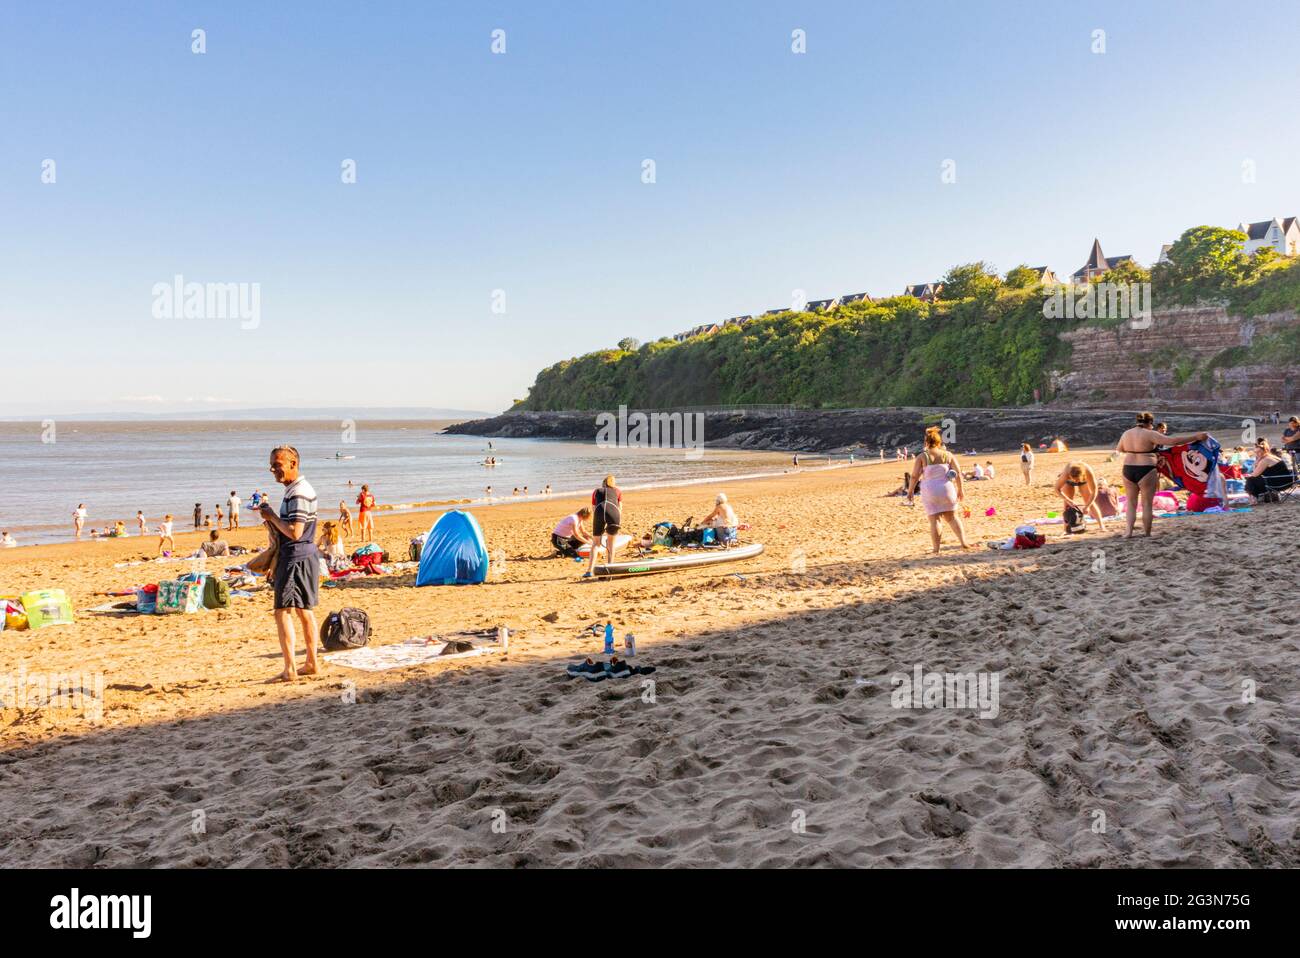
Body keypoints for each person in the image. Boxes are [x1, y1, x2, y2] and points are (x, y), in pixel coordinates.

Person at [260, 445, 322, 682]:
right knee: (304, 610)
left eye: (277, 464)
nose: (273, 469)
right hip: (304, 555)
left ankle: (290, 669)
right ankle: (311, 663)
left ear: (293, 464)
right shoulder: (296, 490)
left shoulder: (298, 493)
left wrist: (271, 517)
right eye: (272, 465)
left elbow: (295, 532)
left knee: (282, 612)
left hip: (296, 556)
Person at [1116, 412, 1209, 538]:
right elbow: (1174, 441)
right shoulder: (1151, 434)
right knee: (1147, 504)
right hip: (1146, 468)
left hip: (1128, 468)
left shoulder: (1126, 433)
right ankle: (1147, 533)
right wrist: (1196, 437)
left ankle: (1128, 533)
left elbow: (1120, 449)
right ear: (1150, 423)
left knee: (1131, 503)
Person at [906, 426, 971, 554]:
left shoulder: (922, 456)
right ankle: (963, 543)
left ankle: (936, 549)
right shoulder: (948, 455)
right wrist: (960, 489)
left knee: (935, 519)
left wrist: (910, 492)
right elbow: (958, 472)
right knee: (952, 517)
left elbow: (914, 476)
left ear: (926, 442)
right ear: (939, 442)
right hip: (947, 489)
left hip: (930, 491)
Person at [584, 475, 623, 578]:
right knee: (611, 544)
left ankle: (589, 571)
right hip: (613, 511)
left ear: (603, 483)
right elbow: (620, 509)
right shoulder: (617, 491)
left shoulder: (596, 491)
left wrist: (599, 522)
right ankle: (610, 569)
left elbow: (593, 508)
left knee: (596, 544)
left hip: (599, 511)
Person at [1054, 462, 1106, 531]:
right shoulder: (1066, 474)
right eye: (1074, 479)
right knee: (1067, 505)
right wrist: (1068, 500)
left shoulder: (1088, 472)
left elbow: (1094, 491)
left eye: (1077, 480)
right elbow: (1056, 489)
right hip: (1068, 481)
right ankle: (1066, 529)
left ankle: (1101, 526)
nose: (1075, 481)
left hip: (1083, 481)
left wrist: (1087, 506)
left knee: (1089, 500)